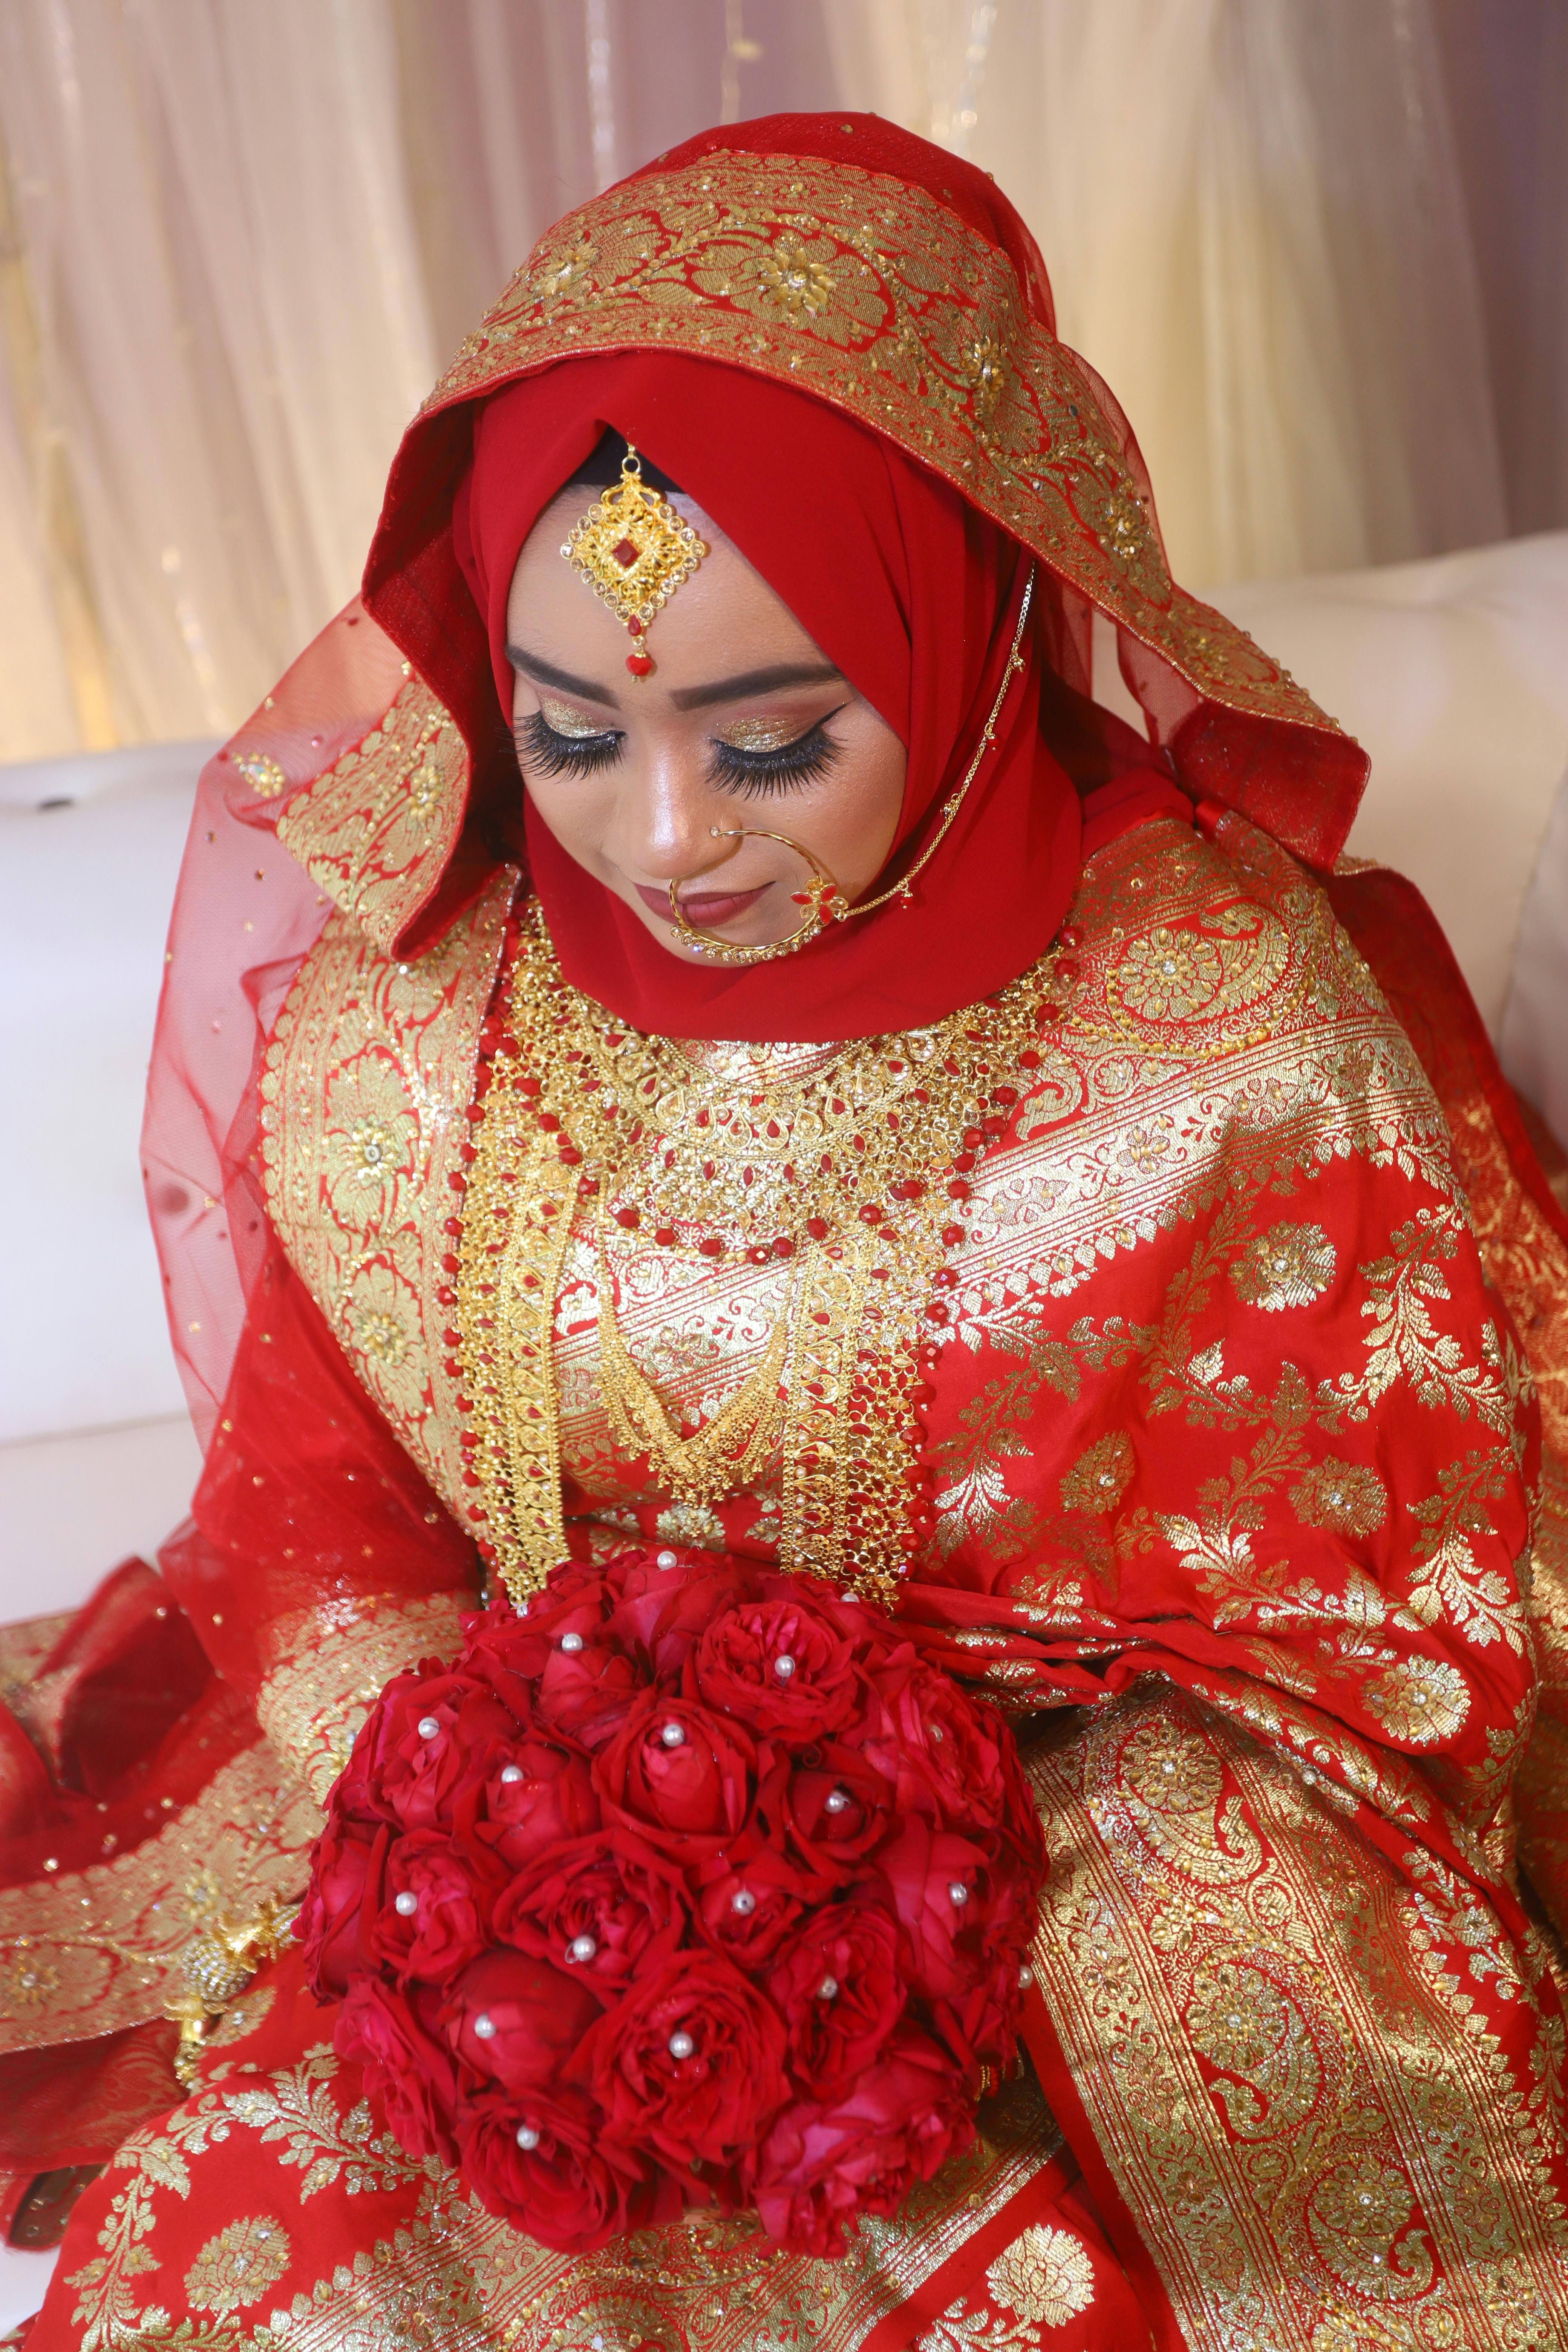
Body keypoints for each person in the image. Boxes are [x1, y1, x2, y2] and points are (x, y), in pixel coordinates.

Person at [7, 112, 1568, 2351]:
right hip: (532, 1926)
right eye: (569, 731)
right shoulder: (414, 1018)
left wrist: (872, 1874)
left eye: (769, 742)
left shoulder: (1216, 1035)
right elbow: (322, 1533)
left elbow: (1366, 1643)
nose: (658, 840)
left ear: (954, 630)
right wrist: (492, 1838)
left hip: (1038, 1920)